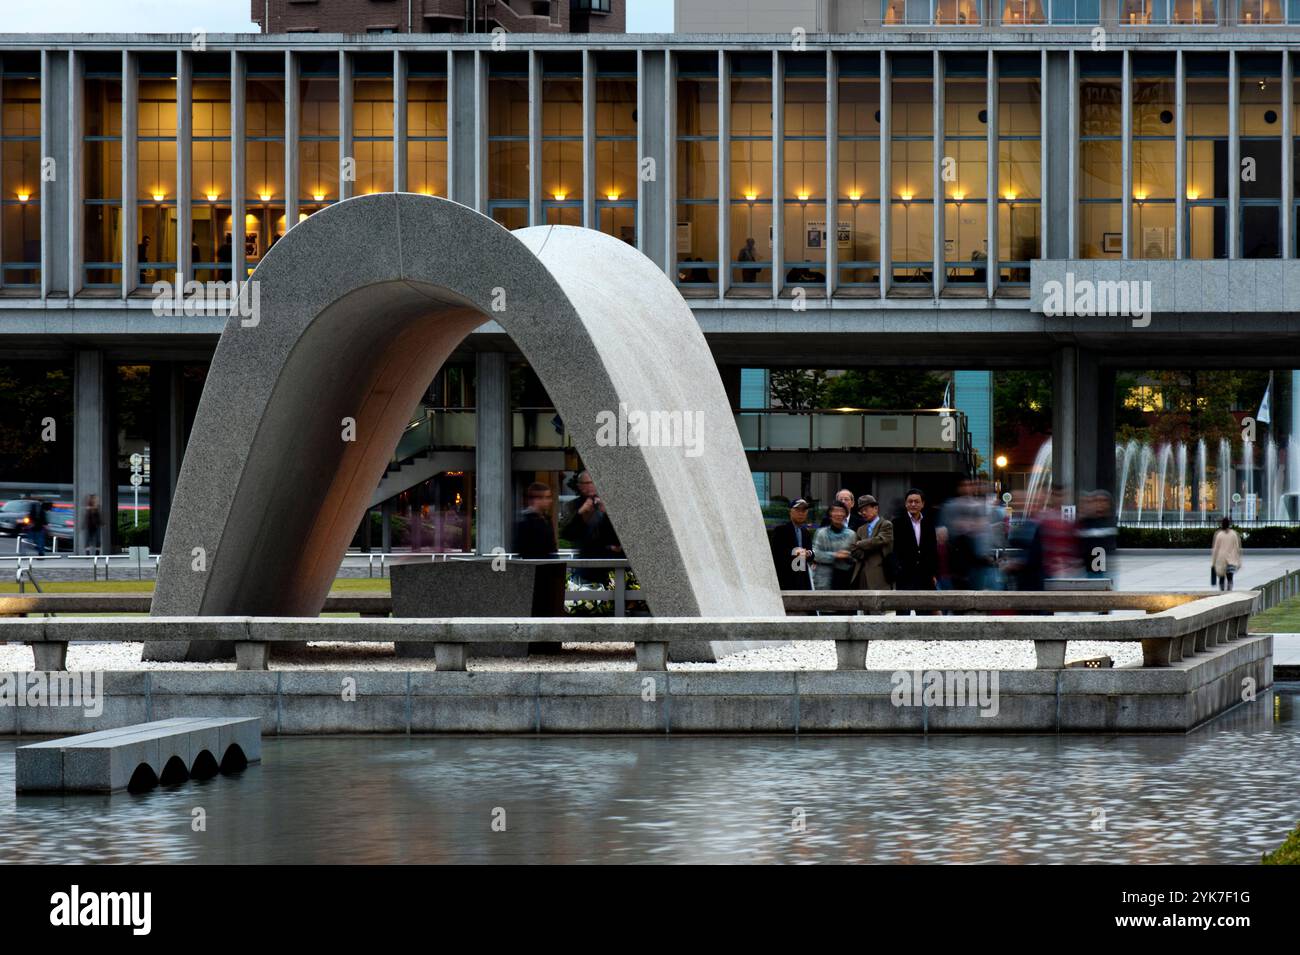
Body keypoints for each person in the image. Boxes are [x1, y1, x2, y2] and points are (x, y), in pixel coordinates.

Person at [516, 481, 565, 652]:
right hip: (536, 574)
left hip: (545, 573)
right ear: (535, 499)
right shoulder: (527, 522)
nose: (550, 501)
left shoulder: (542, 519)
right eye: (546, 498)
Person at [560, 470, 623, 587]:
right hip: (586, 566)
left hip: (614, 566)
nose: (592, 486)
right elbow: (567, 534)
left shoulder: (612, 505)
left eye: (594, 482)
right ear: (580, 486)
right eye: (588, 483)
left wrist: (607, 514)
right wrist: (581, 515)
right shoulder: (572, 506)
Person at [894, 488, 939, 591]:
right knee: (904, 605)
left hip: (925, 575)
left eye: (917, 501)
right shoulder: (897, 523)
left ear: (922, 504)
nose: (913, 504)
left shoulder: (928, 523)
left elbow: (932, 550)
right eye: (910, 501)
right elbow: (894, 550)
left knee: (926, 605)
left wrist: (933, 573)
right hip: (904, 575)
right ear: (905, 504)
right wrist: (897, 570)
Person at [768, 498, 814, 591]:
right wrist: (794, 552)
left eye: (804, 510)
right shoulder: (780, 530)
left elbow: (811, 553)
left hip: (802, 578)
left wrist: (808, 553)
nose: (801, 513)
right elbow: (776, 553)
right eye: (797, 510)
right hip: (785, 578)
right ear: (790, 511)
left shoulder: (805, 532)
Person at [851, 494, 894, 590]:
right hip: (862, 573)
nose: (863, 513)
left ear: (876, 508)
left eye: (866, 509)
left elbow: (880, 540)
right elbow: (854, 550)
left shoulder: (886, 524)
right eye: (861, 511)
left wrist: (861, 544)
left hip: (881, 573)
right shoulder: (860, 529)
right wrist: (869, 549)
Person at [811, 501, 857, 590]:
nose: (839, 514)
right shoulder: (821, 533)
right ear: (830, 514)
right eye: (835, 511)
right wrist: (835, 555)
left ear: (846, 515)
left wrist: (848, 556)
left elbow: (856, 556)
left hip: (845, 579)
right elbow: (815, 554)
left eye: (842, 511)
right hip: (823, 579)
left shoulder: (852, 534)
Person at [1211, 517, 1243, 591]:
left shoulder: (1219, 535)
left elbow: (1215, 549)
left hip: (1221, 560)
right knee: (1230, 577)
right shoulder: (1234, 534)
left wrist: (1213, 562)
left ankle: (1222, 592)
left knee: (1221, 578)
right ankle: (1229, 591)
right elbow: (1237, 548)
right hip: (1231, 560)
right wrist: (1239, 561)